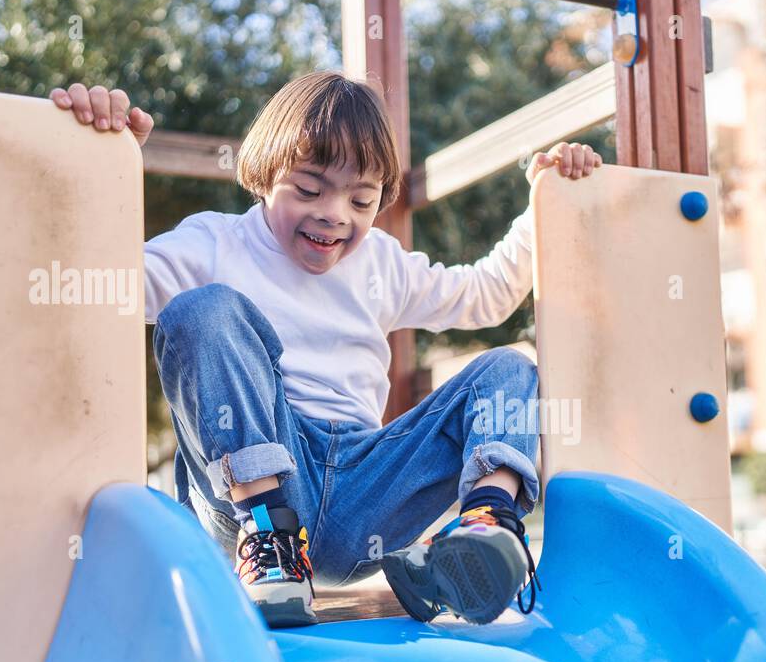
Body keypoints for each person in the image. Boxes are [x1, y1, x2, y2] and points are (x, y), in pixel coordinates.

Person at [50, 73, 601, 626]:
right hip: (254, 489)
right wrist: (100, 166)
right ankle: (271, 540)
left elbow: (485, 297)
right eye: (309, 190)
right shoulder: (213, 244)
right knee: (202, 310)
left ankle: (484, 527)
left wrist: (543, 202)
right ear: (265, 176)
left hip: (364, 500)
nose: (335, 213)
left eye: (361, 200)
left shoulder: (382, 262)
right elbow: (103, 286)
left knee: (507, 370)